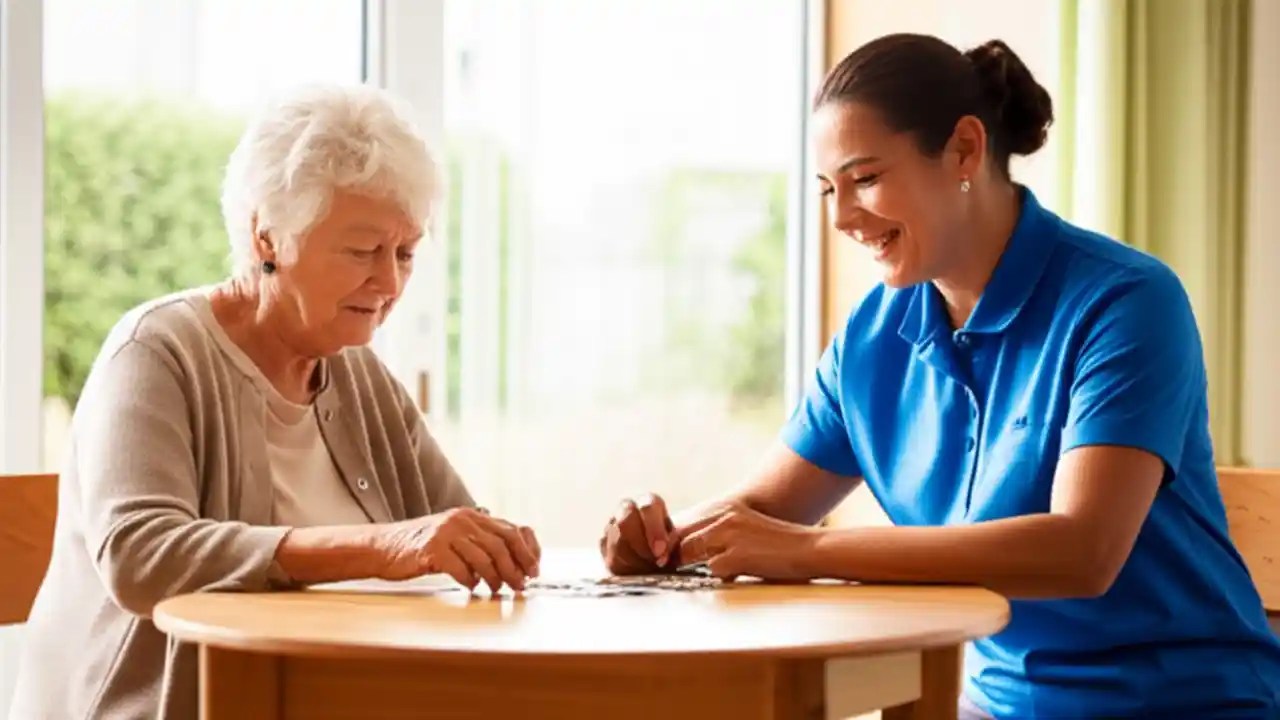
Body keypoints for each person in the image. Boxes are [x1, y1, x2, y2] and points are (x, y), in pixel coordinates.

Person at [600, 34, 1280, 718]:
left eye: (865, 179)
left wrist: (811, 552)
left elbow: (1083, 550)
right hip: (992, 707)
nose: (841, 217)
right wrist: (659, 541)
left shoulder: (1126, 302)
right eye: (829, 188)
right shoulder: (871, 338)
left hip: (1185, 703)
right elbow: (760, 515)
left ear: (964, 150)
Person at [12, 84, 541, 720]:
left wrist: (549, 553)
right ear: (269, 237)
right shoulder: (155, 352)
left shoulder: (359, 376)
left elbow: (450, 532)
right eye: (363, 250)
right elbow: (139, 554)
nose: (392, 281)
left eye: (405, 252)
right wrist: (382, 547)